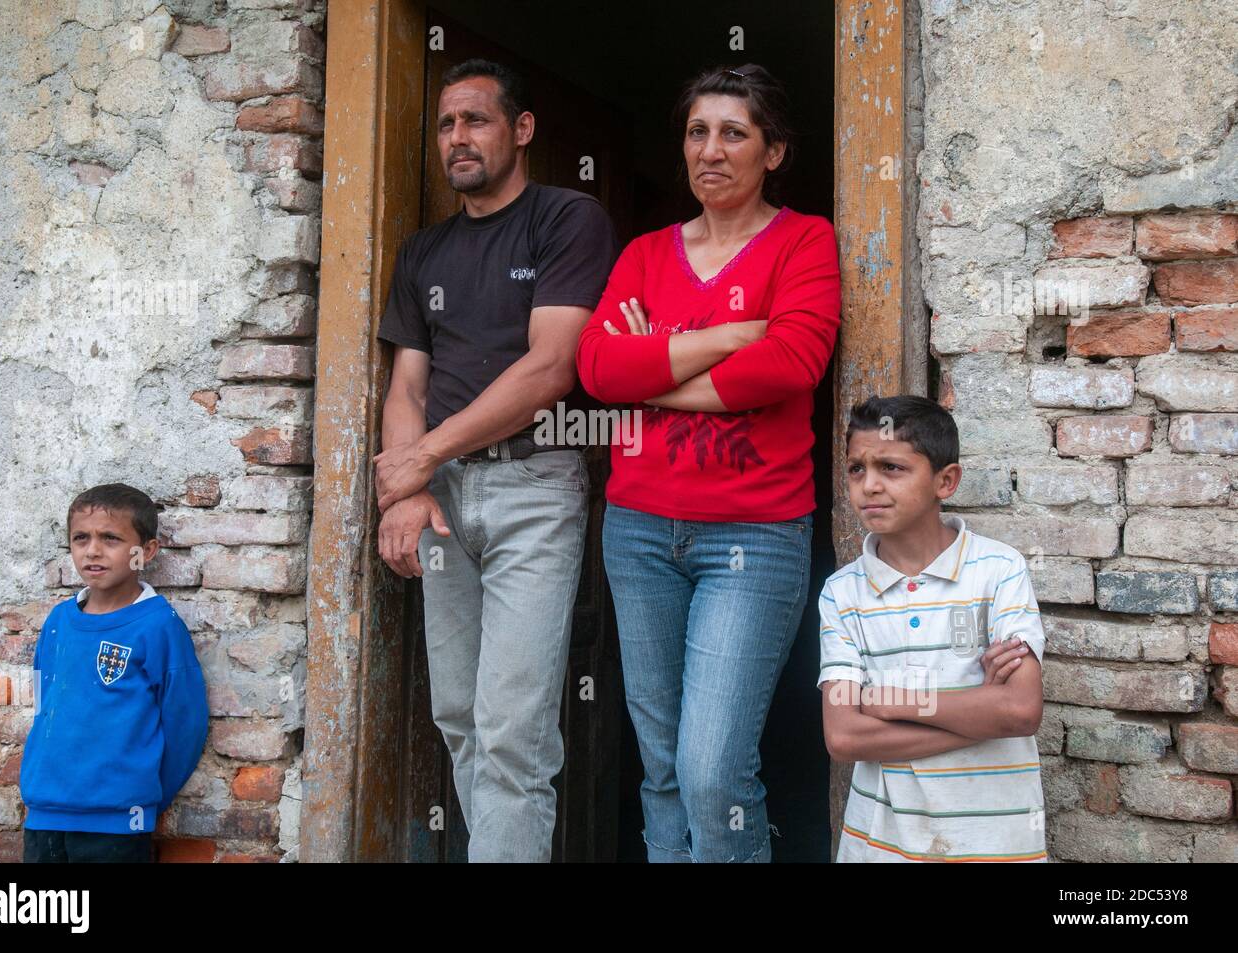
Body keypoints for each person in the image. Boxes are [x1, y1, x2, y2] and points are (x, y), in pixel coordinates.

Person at [575, 63, 841, 862]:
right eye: (698, 131)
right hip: (639, 530)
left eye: (734, 133)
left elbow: (791, 362)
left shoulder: (805, 240)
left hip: (755, 538)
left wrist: (654, 368)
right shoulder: (648, 252)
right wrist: (729, 337)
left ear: (775, 151)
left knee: (711, 767)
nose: (711, 150)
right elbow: (596, 370)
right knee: (660, 766)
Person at [372, 58, 618, 862]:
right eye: (446, 124)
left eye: (475, 120)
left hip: (535, 486)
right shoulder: (422, 253)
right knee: (459, 716)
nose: (458, 138)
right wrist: (408, 491)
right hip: (441, 497)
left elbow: (552, 368)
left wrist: (420, 459)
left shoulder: (566, 218)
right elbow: (408, 383)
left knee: (513, 728)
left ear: (521, 130)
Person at [818, 395, 1047, 862]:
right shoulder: (842, 593)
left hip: (995, 845)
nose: (869, 486)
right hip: (880, 845)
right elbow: (844, 737)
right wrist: (981, 718)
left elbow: (1021, 710)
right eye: (856, 469)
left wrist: (884, 702)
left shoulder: (999, 570)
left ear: (946, 481)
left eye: (891, 468)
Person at [19, 483, 208, 863]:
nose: (93, 550)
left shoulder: (157, 626)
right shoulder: (60, 620)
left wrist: (143, 794)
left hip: (116, 826)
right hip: (44, 816)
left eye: (110, 538)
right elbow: (44, 702)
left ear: (146, 551)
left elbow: (185, 724)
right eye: (81, 538)